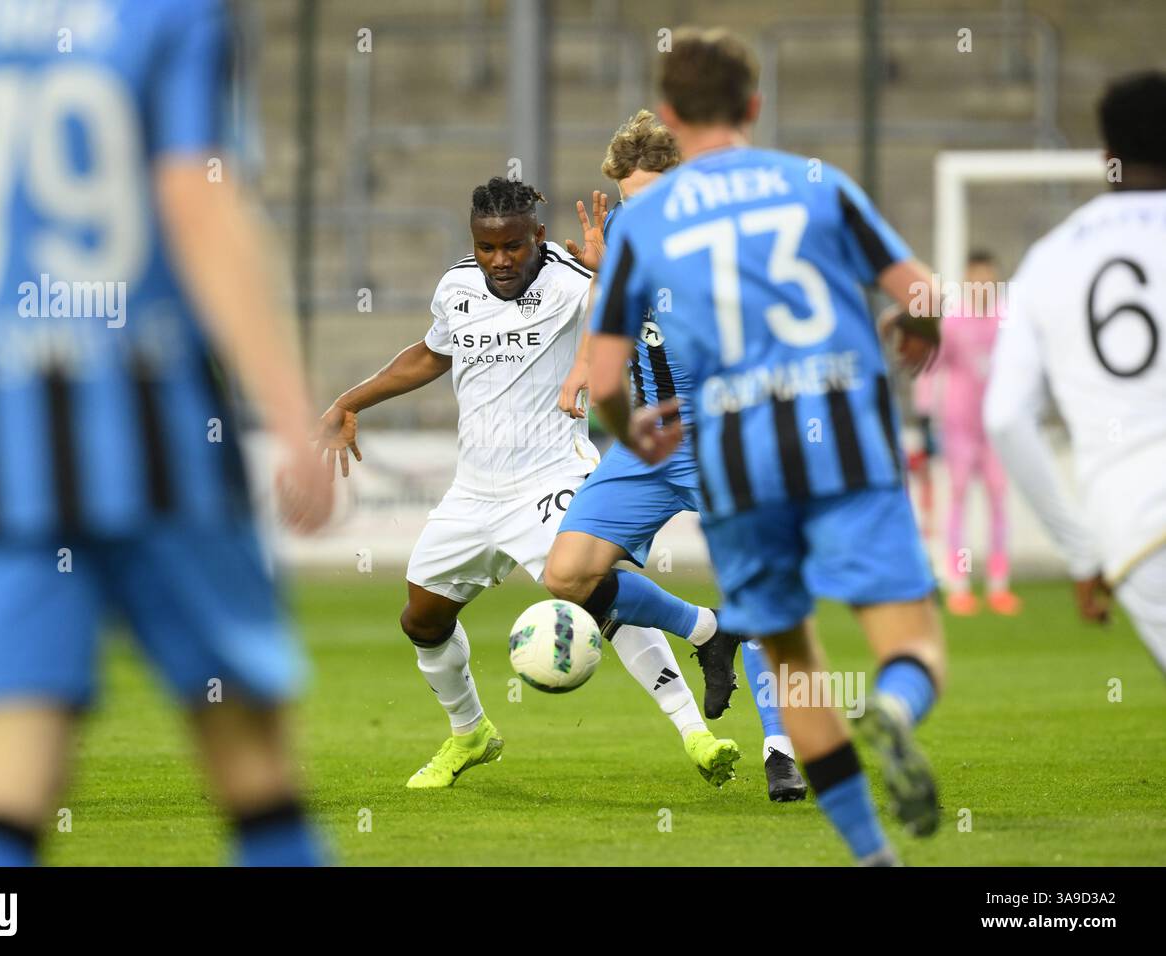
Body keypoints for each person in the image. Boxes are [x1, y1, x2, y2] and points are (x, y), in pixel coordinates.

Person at [0, 0, 332, 865]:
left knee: (7, 784)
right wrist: (287, 405)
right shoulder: (173, 13)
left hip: (6, 448)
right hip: (162, 434)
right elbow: (196, 197)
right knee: (254, 772)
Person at [587, 28, 946, 864]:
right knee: (909, 639)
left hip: (735, 452)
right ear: (754, 106)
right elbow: (924, 294)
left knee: (789, 654)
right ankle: (892, 708)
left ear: (671, 115)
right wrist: (914, 327)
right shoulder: (817, 185)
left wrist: (631, 425)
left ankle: (872, 855)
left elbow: (607, 378)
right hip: (845, 438)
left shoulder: (643, 225)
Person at [314, 177, 739, 788]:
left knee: (592, 589)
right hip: (474, 489)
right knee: (421, 620)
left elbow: (632, 312)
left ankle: (696, 731)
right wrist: (351, 400)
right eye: (487, 248)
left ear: (537, 236)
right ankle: (471, 733)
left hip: (551, 475)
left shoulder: (575, 282)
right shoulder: (458, 286)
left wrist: (607, 276)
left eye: (512, 246)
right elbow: (432, 354)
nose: (500, 260)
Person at [548, 109, 806, 802]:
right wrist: (583, 363)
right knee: (566, 576)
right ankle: (706, 631)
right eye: (629, 198)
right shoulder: (631, 229)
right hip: (648, 437)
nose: (639, 211)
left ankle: (782, 748)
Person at [985, 70, 1166, 674]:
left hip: (1136, 526)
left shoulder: (1053, 256)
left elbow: (1007, 417)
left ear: (1108, 157)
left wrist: (1081, 554)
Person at [927, 251, 1020, 615]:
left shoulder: (1008, 321)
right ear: (967, 281)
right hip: (959, 425)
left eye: (987, 279)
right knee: (960, 499)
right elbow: (933, 367)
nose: (981, 286)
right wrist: (924, 414)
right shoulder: (953, 322)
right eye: (975, 279)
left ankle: (999, 585)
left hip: (995, 429)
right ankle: (960, 584)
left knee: (999, 499)